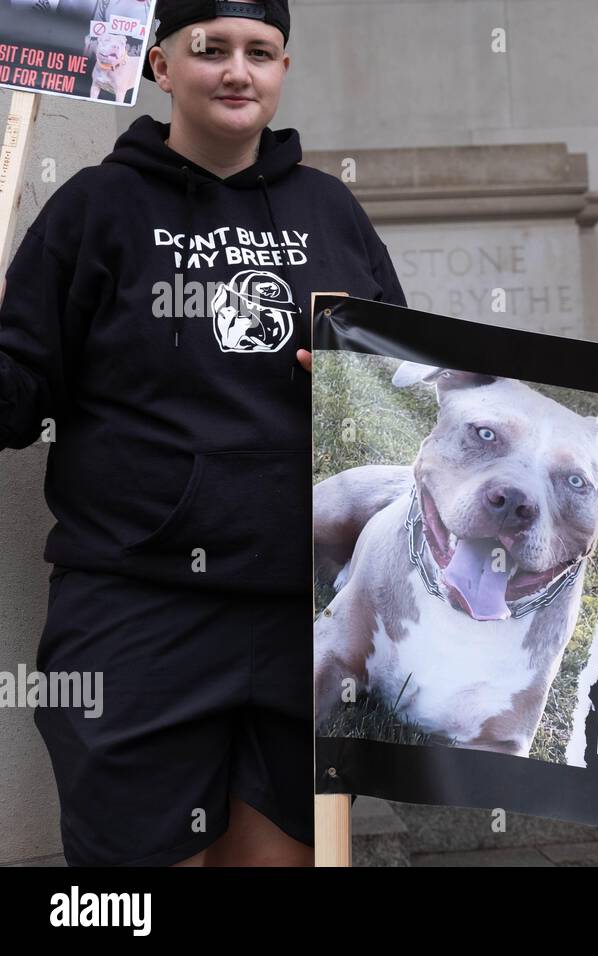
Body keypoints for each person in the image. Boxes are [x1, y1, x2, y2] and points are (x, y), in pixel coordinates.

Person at [0, 0, 406, 866]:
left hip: (308, 613)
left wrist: (356, 389)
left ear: (283, 69)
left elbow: (403, 398)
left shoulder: (333, 212)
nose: (236, 71)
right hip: (138, 612)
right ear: (161, 65)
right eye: (210, 49)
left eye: (260, 52)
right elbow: (15, 395)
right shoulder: (93, 210)